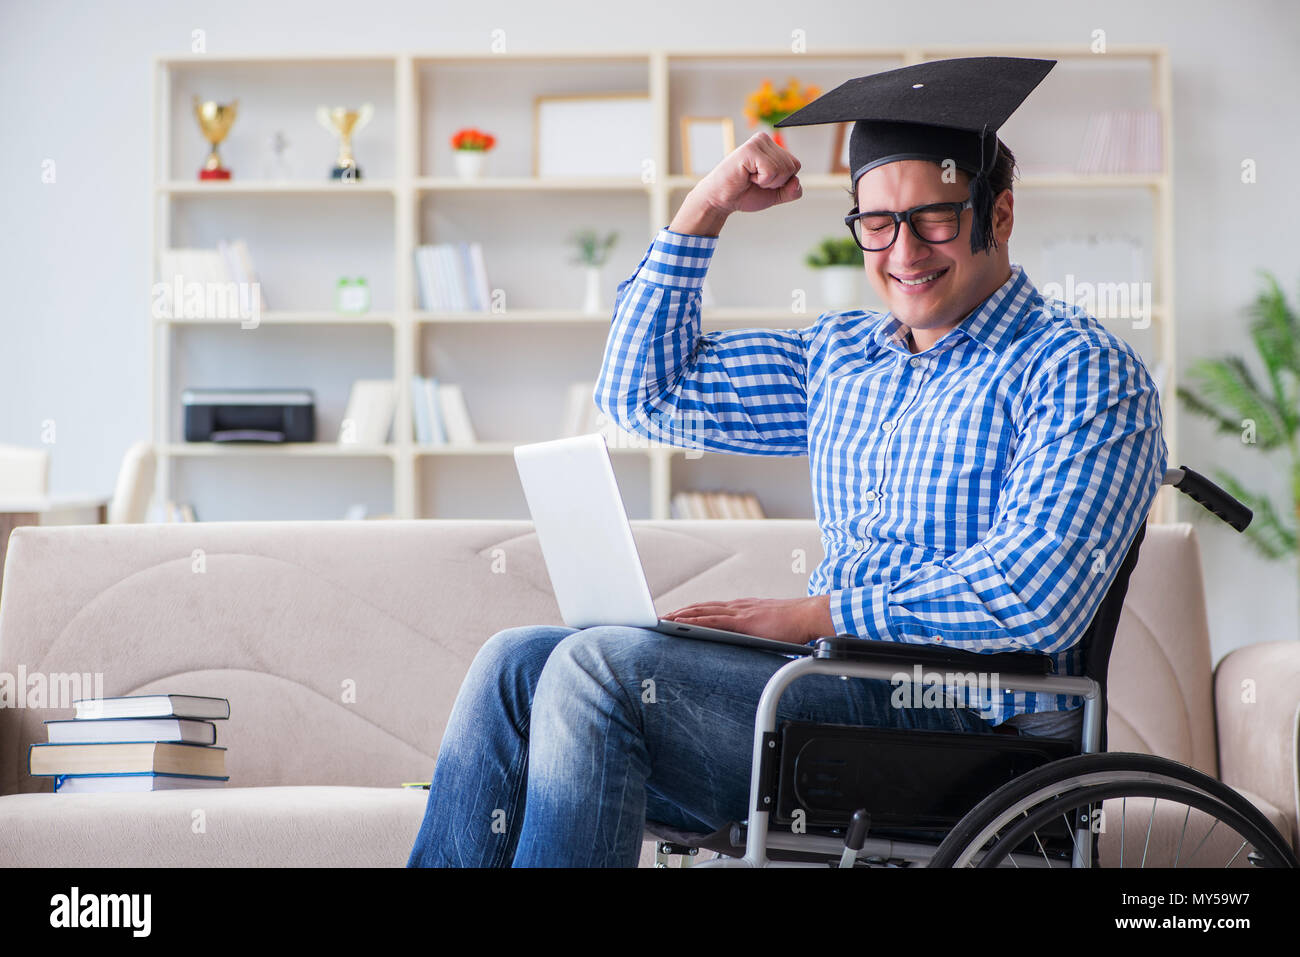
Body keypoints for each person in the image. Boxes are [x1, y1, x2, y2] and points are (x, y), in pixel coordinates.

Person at [407, 56, 1167, 868]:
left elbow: (1033, 593)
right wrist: (705, 209)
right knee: (514, 663)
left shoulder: (1081, 370)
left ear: (1000, 212)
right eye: (876, 223)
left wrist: (815, 615)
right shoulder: (841, 358)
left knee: (600, 671)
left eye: (934, 219)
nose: (902, 251)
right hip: (825, 695)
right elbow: (640, 393)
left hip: (961, 727)